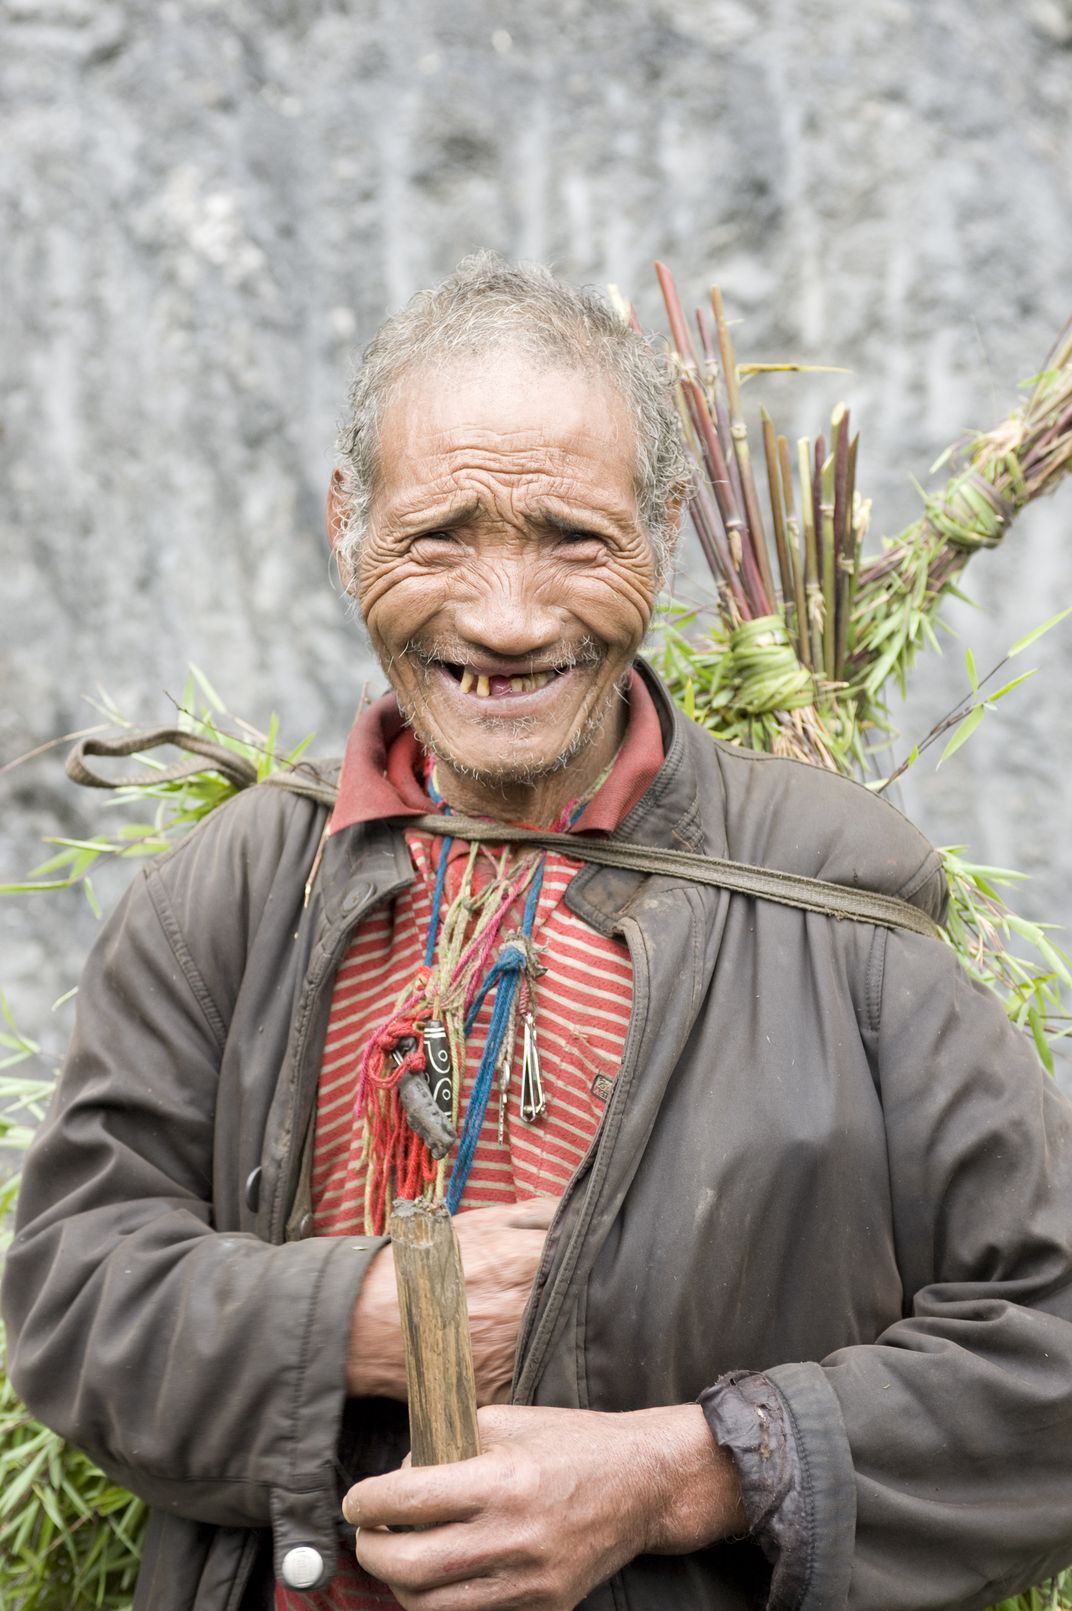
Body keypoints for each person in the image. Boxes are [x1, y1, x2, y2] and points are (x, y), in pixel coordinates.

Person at [4, 254, 1072, 1611]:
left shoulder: (832, 895)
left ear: (664, 529)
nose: (505, 619)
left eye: (572, 537)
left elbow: (1050, 1348)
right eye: (439, 536)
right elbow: (70, 1302)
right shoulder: (238, 891)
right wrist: (366, 1315)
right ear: (345, 522)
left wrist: (684, 1474)